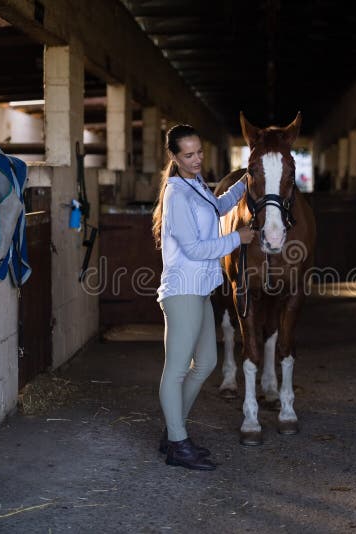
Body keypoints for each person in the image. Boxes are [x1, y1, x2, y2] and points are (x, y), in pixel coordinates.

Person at [151, 124, 254, 471]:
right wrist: (238, 239)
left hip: (201, 290)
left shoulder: (196, 186)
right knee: (177, 369)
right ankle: (177, 442)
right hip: (182, 290)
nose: (197, 160)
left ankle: (173, 429)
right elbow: (194, 248)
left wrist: (246, 180)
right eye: (189, 155)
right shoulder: (177, 194)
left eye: (199, 153)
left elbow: (219, 206)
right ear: (175, 157)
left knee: (207, 363)